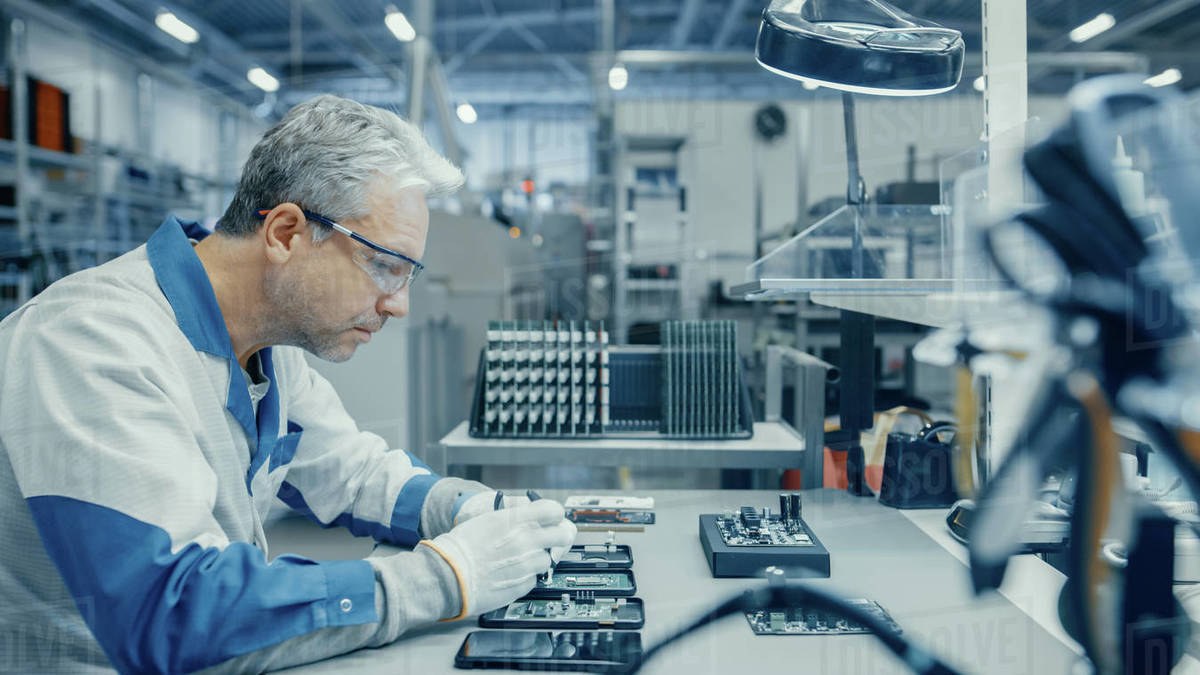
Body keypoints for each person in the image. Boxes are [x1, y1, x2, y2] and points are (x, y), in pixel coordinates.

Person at [0, 94, 576, 673]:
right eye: (384, 267)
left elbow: (352, 476)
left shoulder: (260, 345)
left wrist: (471, 510)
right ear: (284, 232)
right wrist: (445, 578)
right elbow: (171, 613)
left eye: (409, 276)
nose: (398, 305)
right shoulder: (91, 339)